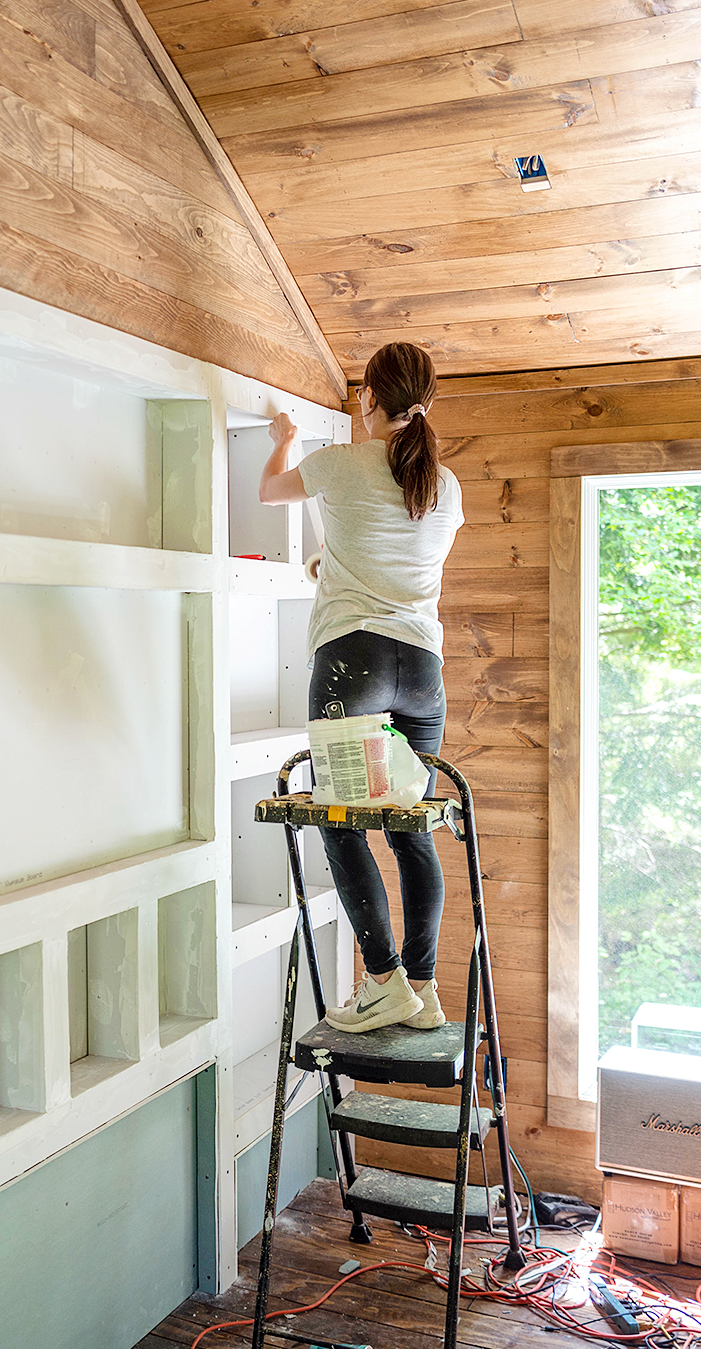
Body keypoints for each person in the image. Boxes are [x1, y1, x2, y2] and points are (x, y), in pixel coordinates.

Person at [259, 342, 464, 1033]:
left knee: (342, 821)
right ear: (425, 403)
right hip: (423, 671)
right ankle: (424, 990)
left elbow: (270, 492)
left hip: (356, 661)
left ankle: (383, 983)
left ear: (368, 397)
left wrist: (282, 441)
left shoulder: (341, 462)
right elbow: (400, 560)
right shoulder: (446, 485)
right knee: (412, 827)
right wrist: (334, 564)